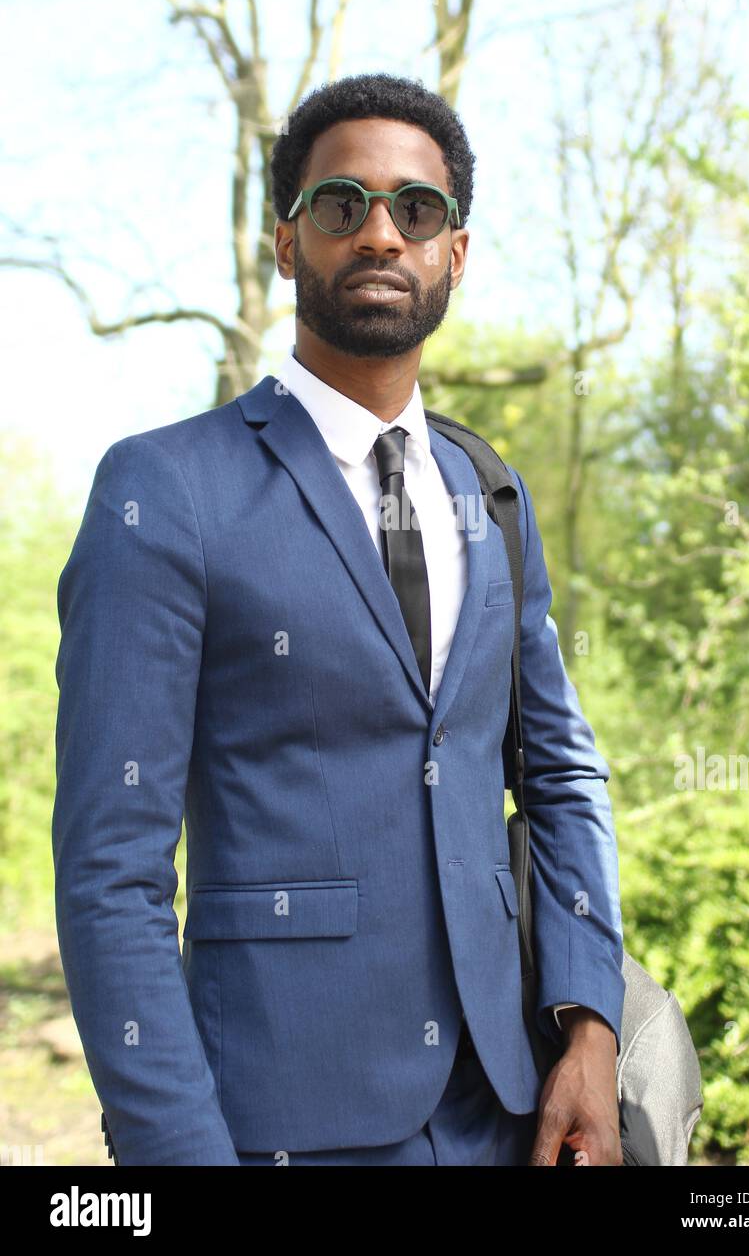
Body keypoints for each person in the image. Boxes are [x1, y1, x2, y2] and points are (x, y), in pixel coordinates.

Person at [52, 72, 625, 1167]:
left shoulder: (489, 491)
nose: (379, 232)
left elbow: (559, 775)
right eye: (339, 203)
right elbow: (111, 870)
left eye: (417, 209)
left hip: (509, 1112)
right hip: (277, 1127)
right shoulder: (165, 489)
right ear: (284, 241)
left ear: (453, 253)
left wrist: (586, 1028)